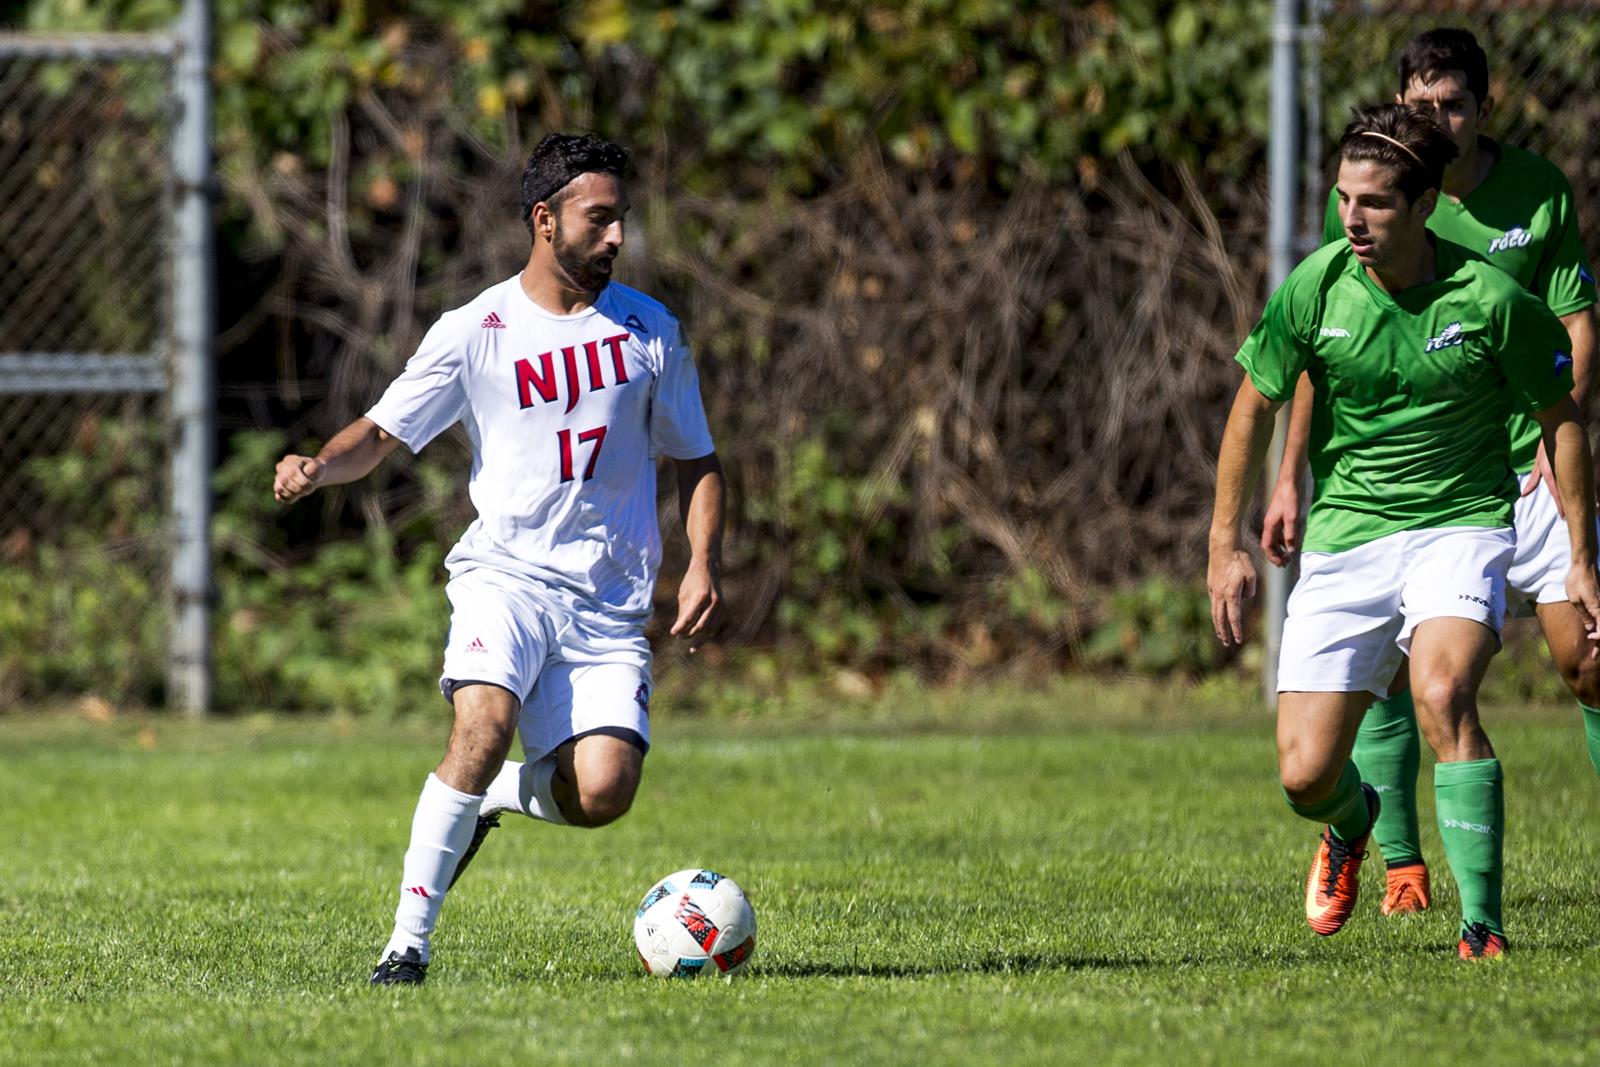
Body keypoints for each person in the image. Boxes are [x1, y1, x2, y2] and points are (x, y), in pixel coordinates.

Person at [272, 133, 726, 985]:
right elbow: (382, 432)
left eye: (622, 219)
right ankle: (406, 946)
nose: (617, 236)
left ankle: (495, 795)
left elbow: (697, 458)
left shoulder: (650, 330)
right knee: (481, 724)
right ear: (544, 219)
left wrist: (702, 559)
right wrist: (321, 465)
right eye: (599, 218)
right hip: (505, 577)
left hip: (607, 600)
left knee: (604, 792)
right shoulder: (475, 330)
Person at [1208, 102, 1600, 959]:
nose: (1353, 218)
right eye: (1344, 198)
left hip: (1460, 524)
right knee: (1304, 774)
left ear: (1424, 205)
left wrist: (1580, 555)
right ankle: (1354, 822)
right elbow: (1252, 405)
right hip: (1349, 535)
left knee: (1442, 691)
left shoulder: (1490, 299)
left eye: (1375, 202)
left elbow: (1561, 419)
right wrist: (1224, 545)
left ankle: (1482, 925)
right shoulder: (1316, 287)